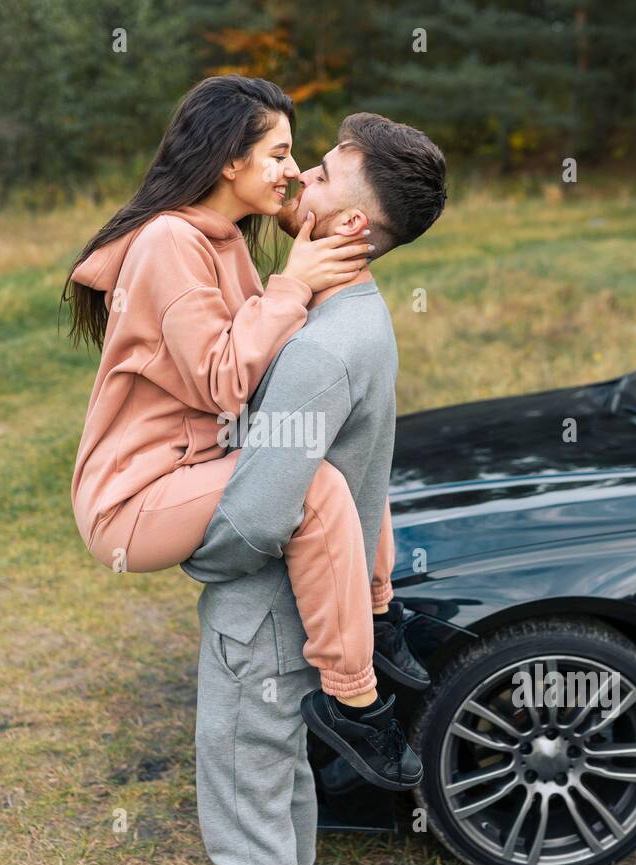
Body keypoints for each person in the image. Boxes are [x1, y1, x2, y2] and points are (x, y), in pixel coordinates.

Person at [64, 77, 430, 784]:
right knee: (319, 489)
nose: (293, 172)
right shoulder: (169, 241)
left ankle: (378, 615)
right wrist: (292, 285)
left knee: (343, 445)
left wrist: (304, 272)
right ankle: (355, 701)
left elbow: (254, 364)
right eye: (280, 155)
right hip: (133, 497)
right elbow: (224, 380)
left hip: (195, 465)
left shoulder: (224, 239)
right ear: (230, 160)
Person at [182, 111, 449, 865]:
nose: (303, 174)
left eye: (324, 174)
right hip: (305, 608)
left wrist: (197, 559)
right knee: (280, 794)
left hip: (262, 621)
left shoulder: (321, 351)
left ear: (352, 220)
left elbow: (261, 514)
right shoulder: (359, 312)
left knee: (246, 821)